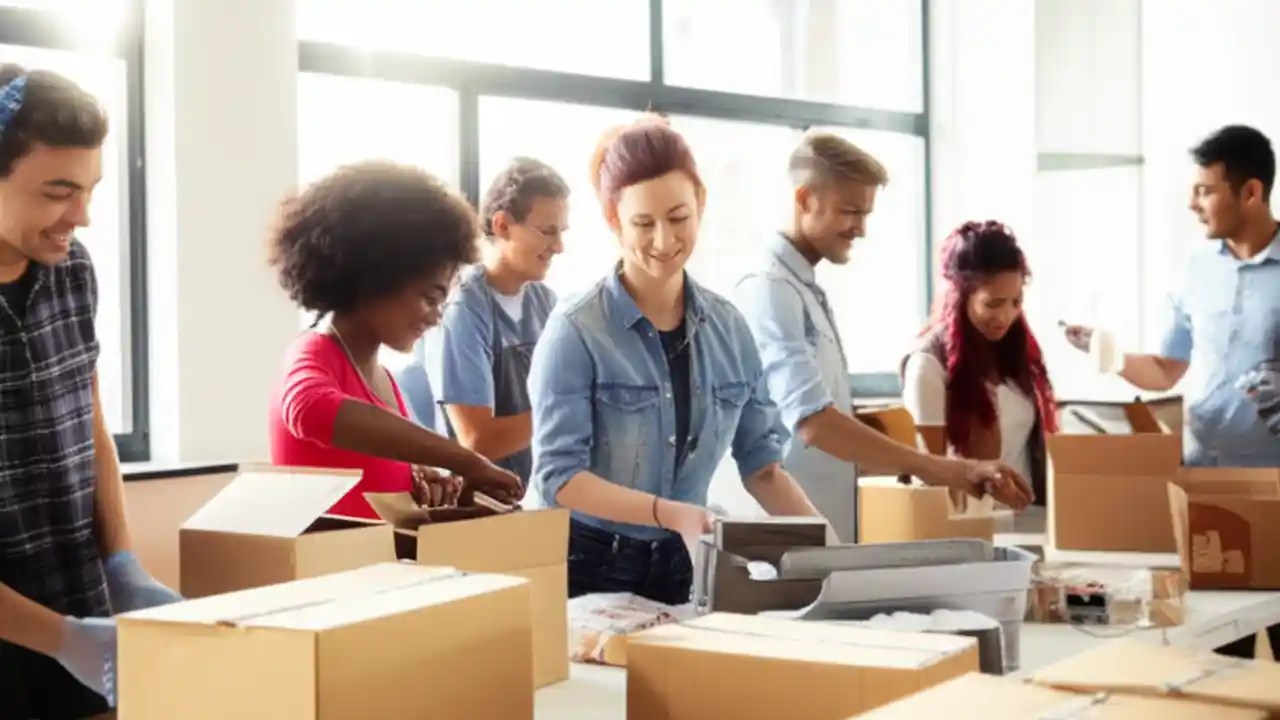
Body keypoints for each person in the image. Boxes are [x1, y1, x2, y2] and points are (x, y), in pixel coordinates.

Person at [528, 117, 823, 604]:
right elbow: (559, 477)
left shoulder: (729, 328)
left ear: (701, 203)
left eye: (678, 218)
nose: (663, 241)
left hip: (677, 563)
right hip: (582, 561)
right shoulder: (576, 329)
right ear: (612, 219)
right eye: (643, 223)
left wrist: (831, 551)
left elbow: (763, 466)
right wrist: (671, 512)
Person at [733, 132, 1033, 543]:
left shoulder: (805, 288)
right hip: (784, 534)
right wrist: (948, 468)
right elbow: (814, 425)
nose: (861, 229)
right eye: (851, 211)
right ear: (804, 200)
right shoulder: (771, 289)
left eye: (866, 214)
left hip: (825, 528)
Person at [0, 64, 180, 717]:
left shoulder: (71, 266)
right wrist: (63, 639)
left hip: (75, 598)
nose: (81, 216)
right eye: (57, 191)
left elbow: (90, 417)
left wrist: (121, 560)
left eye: (90, 189)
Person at [1064, 124, 1280, 659]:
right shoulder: (1196, 270)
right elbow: (1166, 370)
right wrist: (1105, 352)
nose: (1192, 203)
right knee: (1213, 647)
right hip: (1201, 486)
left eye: (1205, 190)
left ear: (1250, 192)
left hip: (1275, 489)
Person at [267, 160, 524, 522]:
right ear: (378, 275)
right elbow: (310, 409)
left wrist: (429, 488)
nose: (436, 316)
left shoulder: (386, 380)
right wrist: (465, 460)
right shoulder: (313, 352)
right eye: (429, 297)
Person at [423, 157, 569, 492]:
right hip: (480, 510)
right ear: (502, 225)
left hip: (536, 500)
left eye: (562, 232)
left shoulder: (545, 303)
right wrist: (570, 410)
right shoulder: (463, 311)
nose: (559, 246)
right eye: (547, 231)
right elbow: (476, 440)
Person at [901, 221, 1059, 511]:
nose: (1007, 316)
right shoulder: (928, 365)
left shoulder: (1018, 352)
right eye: (993, 304)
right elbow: (929, 474)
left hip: (1029, 518)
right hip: (969, 524)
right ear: (961, 297)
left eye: (1016, 302)